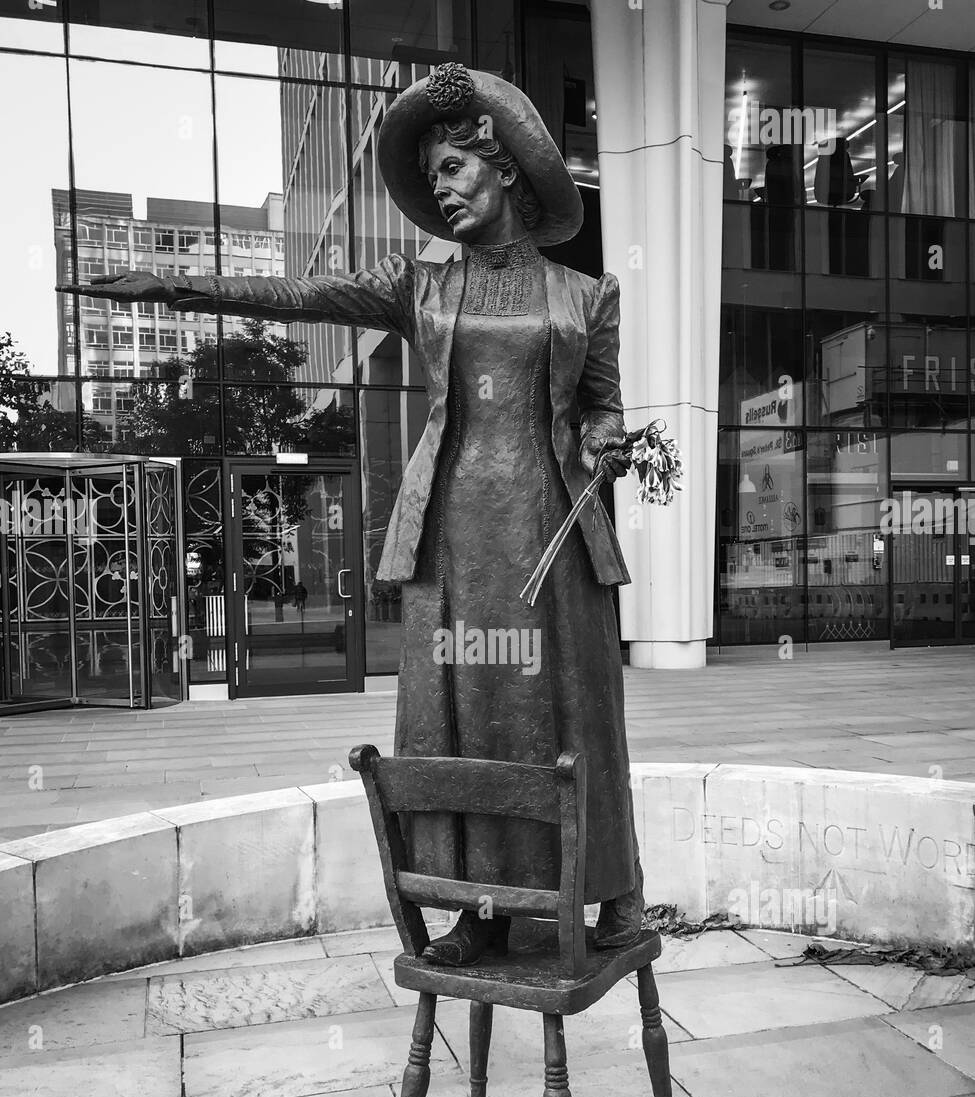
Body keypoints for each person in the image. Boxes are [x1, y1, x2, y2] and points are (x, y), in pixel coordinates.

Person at [59, 63, 646, 966]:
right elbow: (302, 295)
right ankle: (474, 903)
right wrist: (177, 289)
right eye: (436, 174)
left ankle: (615, 898)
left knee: (577, 710)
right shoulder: (421, 286)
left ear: (505, 172)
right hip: (452, 531)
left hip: (551, 529)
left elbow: (604, 404)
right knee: (457, 710)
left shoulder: (586, 295)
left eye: (453, 168)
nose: (441, 190)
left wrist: (606, 441)